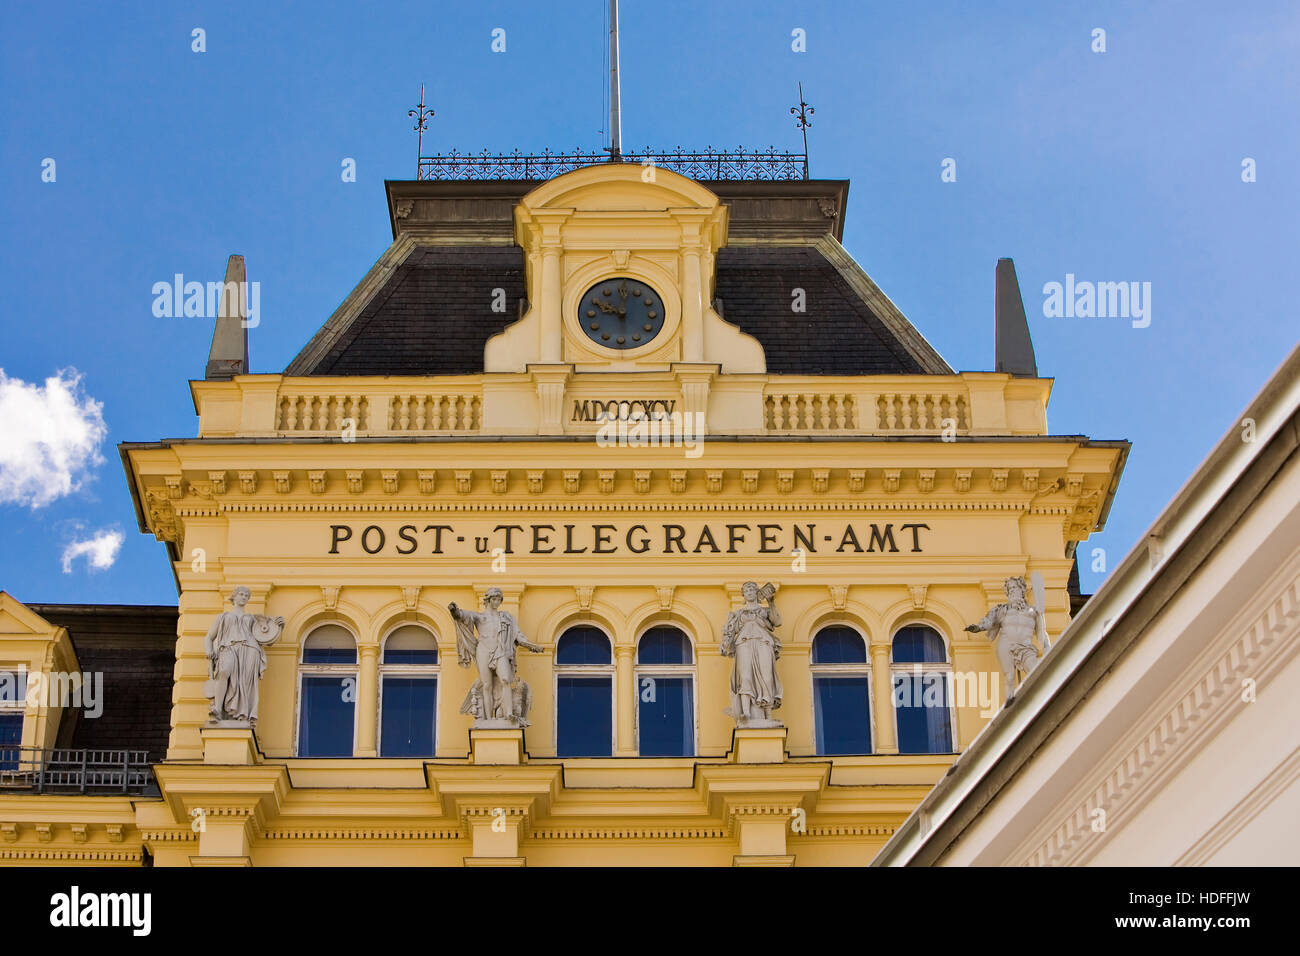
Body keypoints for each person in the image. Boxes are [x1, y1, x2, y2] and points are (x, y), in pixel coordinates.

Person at [449, 588, 542, 725]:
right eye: (494, 599)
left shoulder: (506, 617)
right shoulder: (479, 617)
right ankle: (488, 719)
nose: (497, 602)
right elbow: (461, 616)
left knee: (505, 679)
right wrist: (453, 610)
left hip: (500, 651)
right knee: (487, 685)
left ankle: (509, 713)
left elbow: (518, 635)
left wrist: (531, 646)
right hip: (484, 650)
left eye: (499, 599)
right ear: (487, 600)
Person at [203, 586, 284, 723]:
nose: (244, 597)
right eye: (241, 594)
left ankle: (242, 714)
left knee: (245, 683)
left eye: (246, 595)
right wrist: (209, 650)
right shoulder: (223, 617)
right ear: (234, 596)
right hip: (228, 648)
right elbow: (209, 637)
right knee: (223, 672)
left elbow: (267, 636)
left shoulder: (252, 619)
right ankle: (217, 708)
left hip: (249, 649)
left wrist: (279, 626)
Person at [721, 581, 783, 725]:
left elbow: (777, 621)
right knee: (746, 676)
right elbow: (729, 634)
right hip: (744, 643)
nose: (749, 592)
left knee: (767, 678)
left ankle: (768, 717)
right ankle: (746, 714)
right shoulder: (738, 614)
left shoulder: (764, 611)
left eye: (752, 589)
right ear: (743, 594)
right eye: (746, 590)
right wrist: (725, 643)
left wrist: (771, 601)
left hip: (764, 642)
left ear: (757, 592)